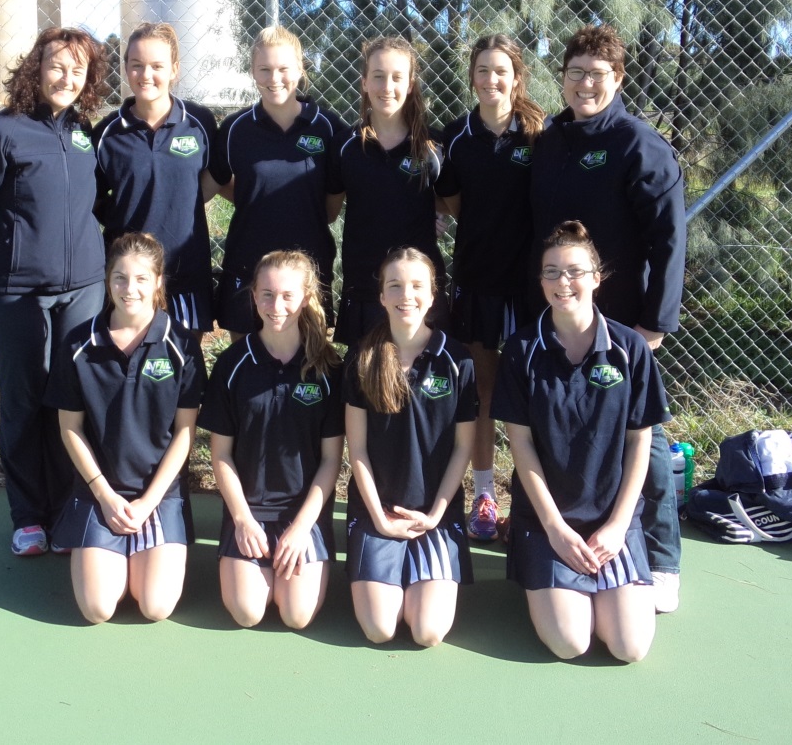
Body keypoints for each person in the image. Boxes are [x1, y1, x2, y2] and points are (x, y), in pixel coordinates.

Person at [529, 24, 687, 614]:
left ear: (617, 80)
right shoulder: (549, 142)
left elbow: (670, 240)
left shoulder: (639, 144)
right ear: (563, 78)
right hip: (558, 320)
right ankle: (556, 539)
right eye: (575, 73)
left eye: (598, 75)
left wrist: (654, 325)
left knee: (644, 436)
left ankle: (663, 559)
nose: (585, 84)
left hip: (623, 323)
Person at [0, 26, 110, 557]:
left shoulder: (86, 132)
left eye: (77, 70)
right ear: (35, 70)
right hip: (16, 292)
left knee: (69, 401)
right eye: (56, 66)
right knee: (23, 400)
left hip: (83, 290)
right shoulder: (0, 133)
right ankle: (28, 517)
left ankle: (67, 512)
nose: (66, 78)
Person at [493, 221, 669, 662]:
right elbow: (522, 447)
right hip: (547, 523)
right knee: (570, 643)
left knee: (629, 647)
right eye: (551, 272)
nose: (562, 282)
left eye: (574, 271)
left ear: (596, 277)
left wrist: (617, 526)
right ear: (540, 281)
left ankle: (606, 574)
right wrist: (554, 528)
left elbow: (639, 445)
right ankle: (542, 573)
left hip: (612, 523)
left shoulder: (630, 349)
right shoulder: (520, 350)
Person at [47, 233, 204, 623]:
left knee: (155, 606)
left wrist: (149, 502)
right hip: (100, 492)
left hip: (159, 495)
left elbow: (185, 433)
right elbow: (70, 428)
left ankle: (145, 547)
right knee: (98, 608)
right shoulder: (78, 344)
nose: (129, 289)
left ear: (158, 283)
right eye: (119, 277)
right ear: (106, 280)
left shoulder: (182, 346)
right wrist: (104, 494)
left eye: (140, 279)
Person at [434, 34, 544, 541]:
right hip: (477, 284)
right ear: (472, 76)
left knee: (531, 394)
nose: (491, 79)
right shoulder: (456, 138)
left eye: (501, 70)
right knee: (480, 393)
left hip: (530, 290)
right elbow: (452, 207)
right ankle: (483, 496)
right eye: (482, 70)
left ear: (516, 77)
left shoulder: (540, 134)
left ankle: (532, 500)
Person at [200, 250, 344, 629]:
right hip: (248, 512)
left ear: (307, 298)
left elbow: (331, 460)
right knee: (248, 613)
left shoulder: (327, 368)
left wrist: (301, 528)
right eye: (266, 294)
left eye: (287, 295)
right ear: (253, 296)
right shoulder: (232, 365)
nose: (275, 305)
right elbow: (221, 456)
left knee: (296, 616)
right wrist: (242, 520)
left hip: (303, 516)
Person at [343, 248, 476, 647]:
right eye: (395, 285)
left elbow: (462, 448)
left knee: (427, 631)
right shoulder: (361, 359)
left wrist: (436, 512)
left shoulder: (458, 360)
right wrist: (379, 519)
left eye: (418, 285)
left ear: (433, 295)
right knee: (379, 629)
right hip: (376, 513)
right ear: (381, 296)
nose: (407, 295)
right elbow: (358, 452)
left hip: (434, 513)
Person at [209, 27, 347, 338]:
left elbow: (333, 204)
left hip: (308, 268)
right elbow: (213, 182)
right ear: (252, 72)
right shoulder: (235, 129)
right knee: (246, 366)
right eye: (265, 69)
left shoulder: (327, 127)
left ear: (300, 69)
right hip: (247, 265)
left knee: (308, 369)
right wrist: (252, 199)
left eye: (284, 69)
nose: (275, 78)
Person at [92, 21, 219, 336]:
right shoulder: (107, 133)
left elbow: (215, 178)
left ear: (174, 69)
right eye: (137, 65)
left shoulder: (200, 123)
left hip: (186, 273)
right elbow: (90, 200)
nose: (146, 75)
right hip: (130, 279)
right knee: (128, 365)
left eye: (157, 66)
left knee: (184, 368)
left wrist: (180, 200)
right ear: (125, 69)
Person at [326, 36, 446, 346]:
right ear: (364, 82)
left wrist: (431, 212)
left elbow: (453, 203)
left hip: (417, 292)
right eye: (378, 76)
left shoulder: (433, 146)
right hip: (364, 288)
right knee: (364, 384)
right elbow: (330, 210)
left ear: (410, 85)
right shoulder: (345, 146)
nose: (386, 86)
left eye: (396, 77)